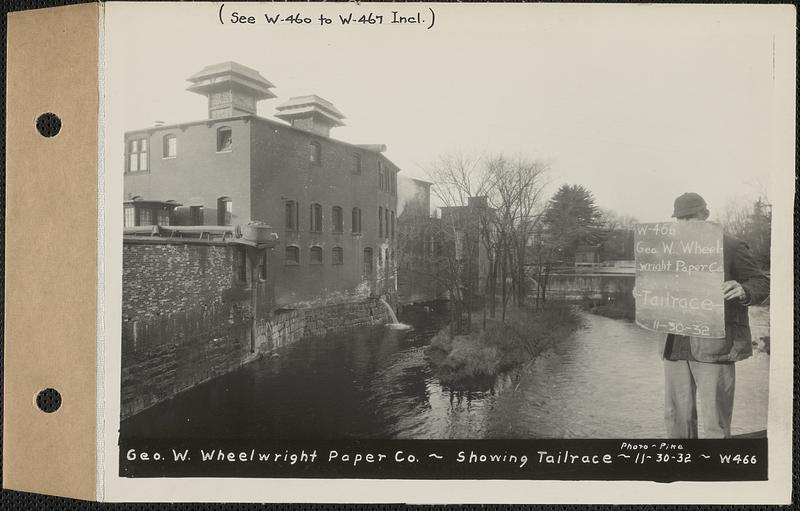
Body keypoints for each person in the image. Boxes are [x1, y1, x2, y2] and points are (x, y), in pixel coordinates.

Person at [660, 192, 769, 438]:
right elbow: (658, 284)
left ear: (705, 214)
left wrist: (744, 290)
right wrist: (645, 292)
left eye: (691, 216)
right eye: (681, 218)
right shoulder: (668, 248)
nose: (686, 222)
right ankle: (681, 461)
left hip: (714, 345)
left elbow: (761, 282)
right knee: (676, 419)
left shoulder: (731, 245)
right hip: (674, 344)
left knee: (715, 423)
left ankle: (716, 462)